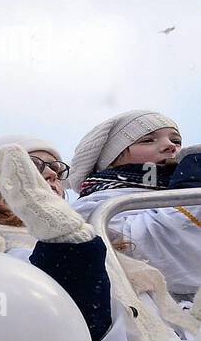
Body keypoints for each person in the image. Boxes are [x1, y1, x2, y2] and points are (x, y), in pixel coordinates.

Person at [68, 110, 201, 304]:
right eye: (148, 140)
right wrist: (190, 192)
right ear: (111, 161)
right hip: (140, 320)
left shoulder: (181, 194)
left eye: (176, 140)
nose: (170, 146)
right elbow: (166, 253)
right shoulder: (93, 208)